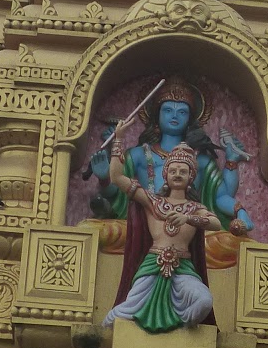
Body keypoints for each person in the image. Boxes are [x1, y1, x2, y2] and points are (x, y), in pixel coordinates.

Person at [74, 139, 220, 348]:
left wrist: (188, 218)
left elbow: (215, 223)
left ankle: (180, 330)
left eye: (183, 171)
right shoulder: (153, 202)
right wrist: (118, 140)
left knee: (204, 301)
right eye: (173, 170)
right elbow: (117, 178)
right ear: (165, 175)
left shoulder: (194, 208)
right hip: (153, 265)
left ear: (191, 177)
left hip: (183, 269)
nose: (177, 174)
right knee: (121, 313)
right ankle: (101, 343)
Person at [87, 78, 253, 235]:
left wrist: (240, 210)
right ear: (157, 115)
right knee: (106, 230)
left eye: (182, 112)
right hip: (148, 225)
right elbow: (117, 190)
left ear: (190, 119)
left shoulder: (200, 160)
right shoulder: (139, 155)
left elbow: (221, 196)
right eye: (168, 110)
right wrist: (104, 178)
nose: (175, 116)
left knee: (224, 241)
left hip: (189, 230)